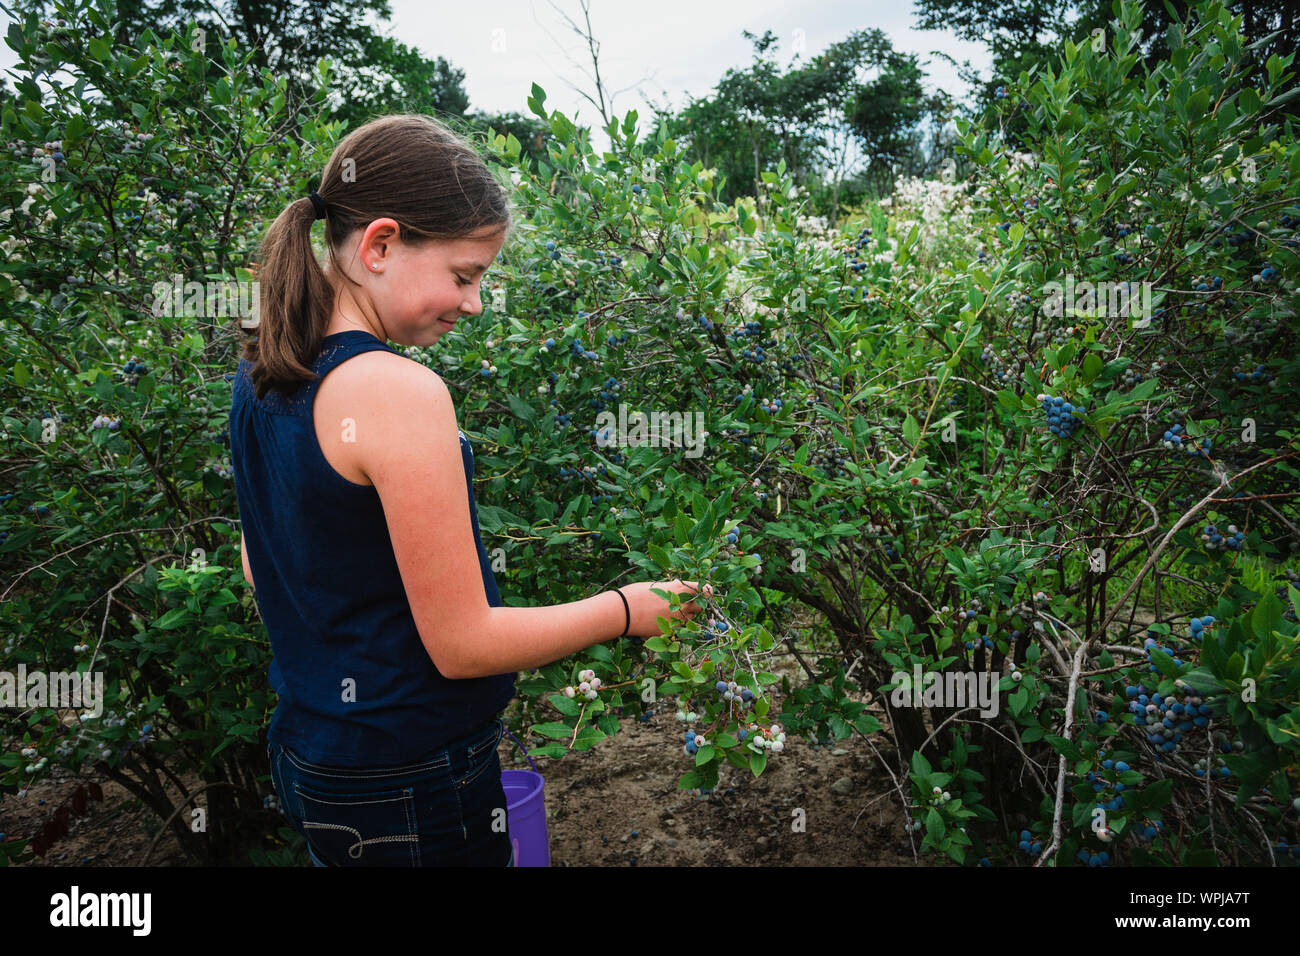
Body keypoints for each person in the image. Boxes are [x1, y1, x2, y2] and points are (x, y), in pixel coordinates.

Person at [229, 113, 711, 867]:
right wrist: (628, 610)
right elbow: (461, 647)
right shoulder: (396, 391)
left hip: (316, 757)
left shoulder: (266, 368)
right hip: (410, 775)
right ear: (381, 244)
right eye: (464, 275)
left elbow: (262, 566)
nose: (476, 303)